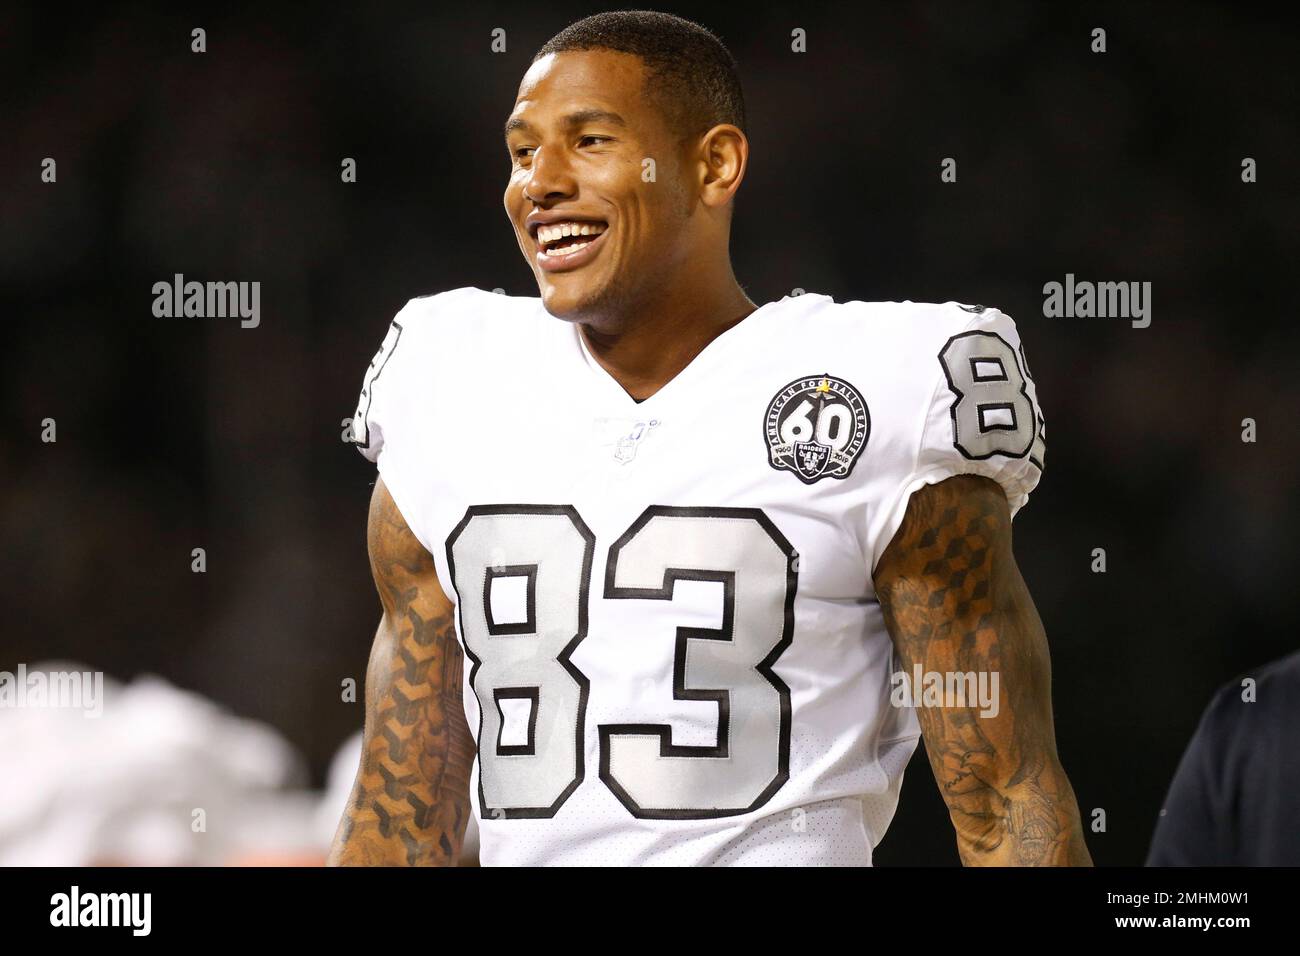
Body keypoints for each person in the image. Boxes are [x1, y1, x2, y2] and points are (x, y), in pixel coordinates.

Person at [328, 10, 1090, 866]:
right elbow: (399, 811)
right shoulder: (448, 378)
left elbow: (1003, 799)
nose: (538, 182)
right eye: (521, 150)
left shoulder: (883, 387)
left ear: (714, 164)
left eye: (588, 141)